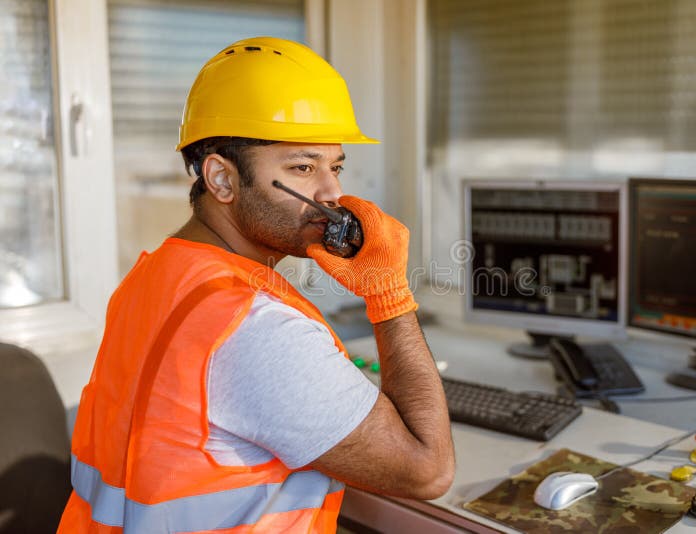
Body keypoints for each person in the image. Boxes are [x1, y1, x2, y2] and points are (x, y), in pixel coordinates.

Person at [58, 36, 454, 533]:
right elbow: (428, 468)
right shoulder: (255, 325)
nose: (333, 193)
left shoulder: (154, 277)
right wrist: (390, 294)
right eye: (302, 168)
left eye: (335, 167)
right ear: (222, 180)